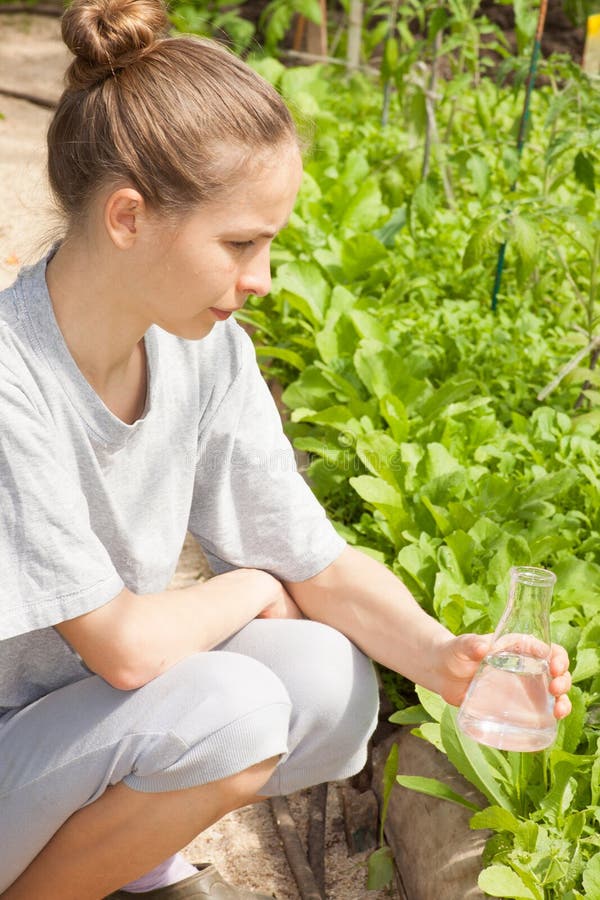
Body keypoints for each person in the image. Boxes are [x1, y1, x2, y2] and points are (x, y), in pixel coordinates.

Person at [0, 0, 572, 897]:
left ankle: (122, 857)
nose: (261, 279)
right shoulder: (12, 376)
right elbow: (127, 652)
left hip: (70, 731)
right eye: (240, 243)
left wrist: (445, 659)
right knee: (234, 709)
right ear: (128, 217)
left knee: (328, 682)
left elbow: (315, 560)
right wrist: (250, 587)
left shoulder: (202, 351)